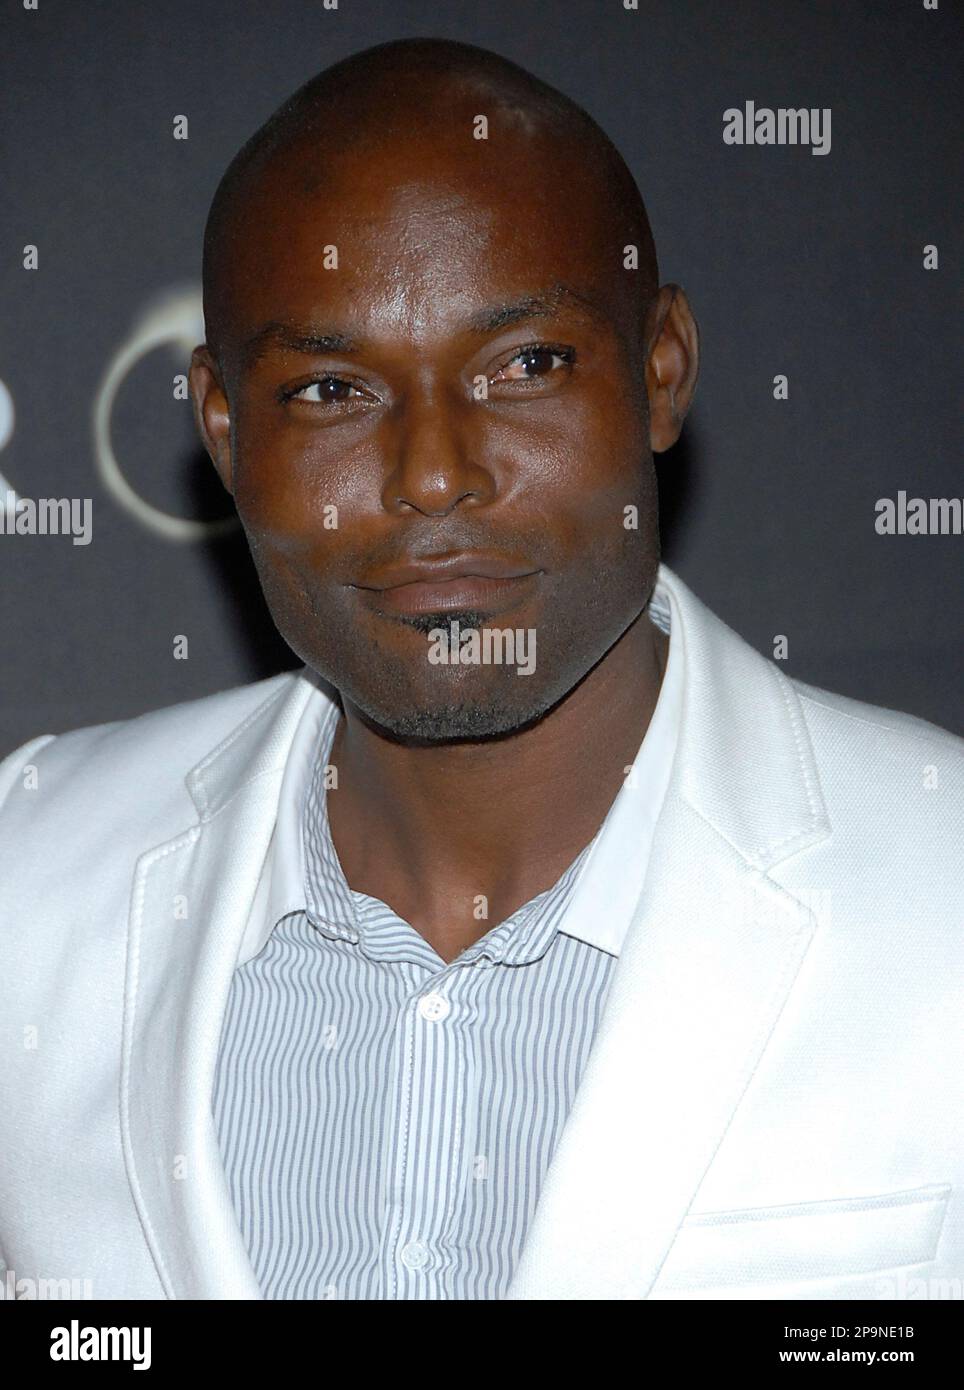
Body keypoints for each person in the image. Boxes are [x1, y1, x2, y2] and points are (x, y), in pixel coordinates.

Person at [0, 37, 961, 1302]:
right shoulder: (32, 882)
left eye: (527, 366)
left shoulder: (937, 892)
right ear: (224, 431)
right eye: (332, 387)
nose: (435, 473)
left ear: (660, 371)